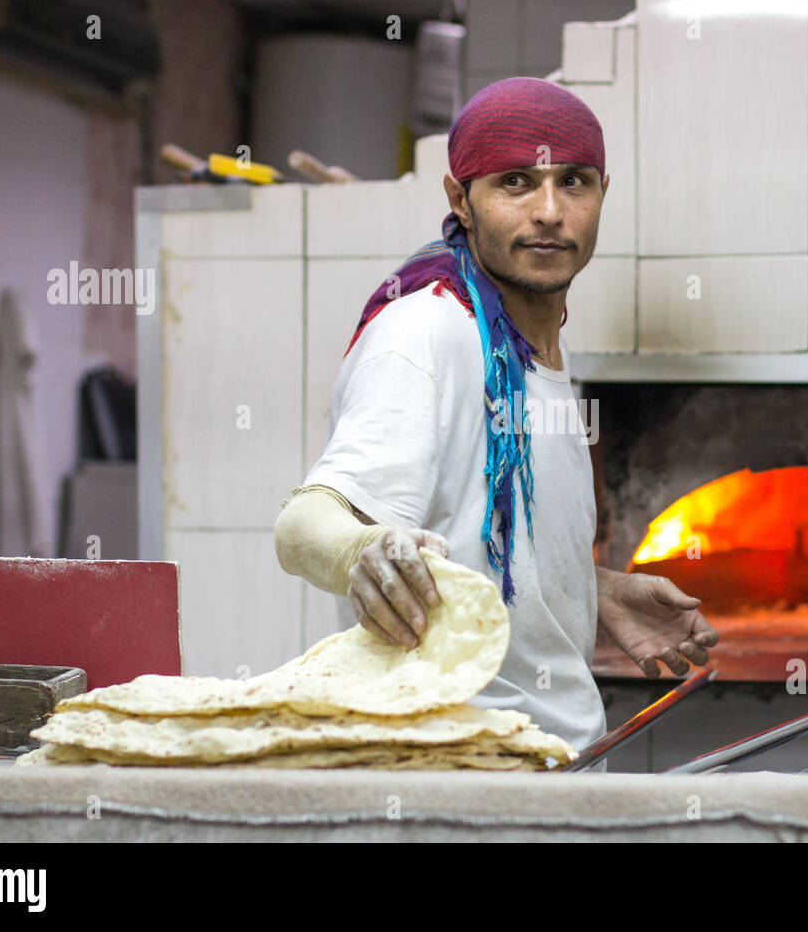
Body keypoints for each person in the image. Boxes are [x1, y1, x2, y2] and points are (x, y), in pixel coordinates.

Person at [274, 77, 717, 751]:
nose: (549, 211)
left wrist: (595, 595)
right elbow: (304, 523)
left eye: (574, 182)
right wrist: (362, 551)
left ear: (603, 192)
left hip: (546, 764)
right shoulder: (427, 334)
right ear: (461, 199)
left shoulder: (530, 350)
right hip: (456, 775)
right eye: (515, 182)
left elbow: (482, 545)